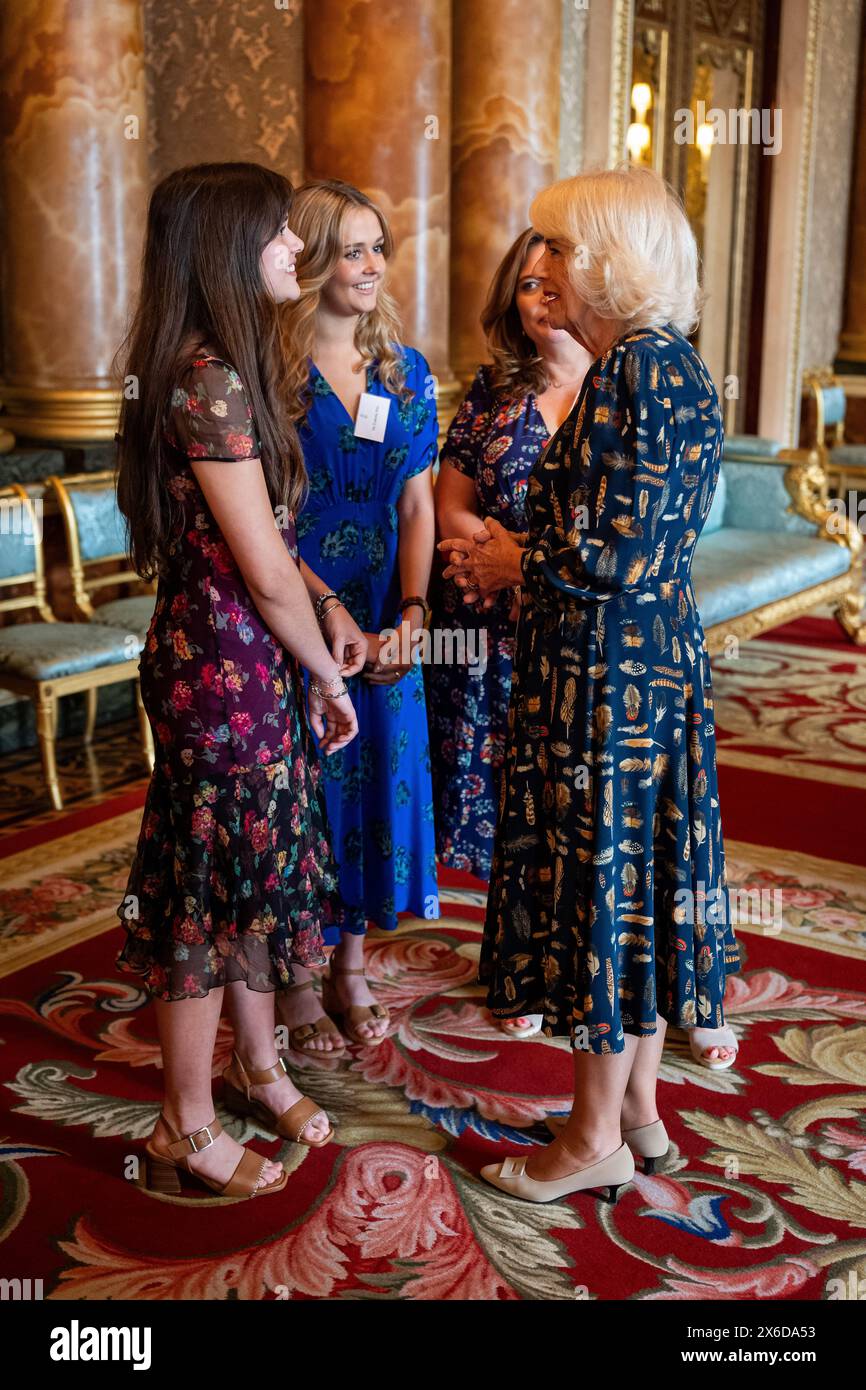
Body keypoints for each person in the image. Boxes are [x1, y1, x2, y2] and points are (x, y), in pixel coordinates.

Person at [441, 165, 740, 1204]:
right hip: (632, 662)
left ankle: (589, 1137)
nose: (546, 267)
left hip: (608, 676)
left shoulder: (636, 372)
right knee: (639, 887)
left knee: (604, 892)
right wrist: (526, 554)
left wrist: (508, 560)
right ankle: (640, 1115)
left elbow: (606, 552)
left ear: (612, 260)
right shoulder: (662, 365)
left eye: (560, 248)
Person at [115, 163, 366, 1199]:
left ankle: (258, 1066)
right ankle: (180, 1118)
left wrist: (328, 607)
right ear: (224, 247)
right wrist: (328, 673)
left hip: (243, 657)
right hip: (220, 671)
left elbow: (267, 542)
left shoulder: (220, 365)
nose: (292, 251)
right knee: (204, 890)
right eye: (274, 233)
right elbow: (256, 572)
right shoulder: (205, 376)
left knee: (251, 880)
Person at [277, 178, 439, 1054]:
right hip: (292, 609)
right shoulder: (267, 370)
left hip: (385, 612)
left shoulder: (402, 370)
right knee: (306, 790)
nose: (371, 264)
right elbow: (259, 518)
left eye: (379, 246)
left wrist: (412, 611)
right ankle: (297, 983)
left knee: (376, 778)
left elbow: (417, 507)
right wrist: (322, 607)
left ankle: (350, 966)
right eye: (352, 249)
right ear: (309, 258)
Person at [427, 228, 592, 1038]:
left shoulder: (619, 386)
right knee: (505, 800)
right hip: (486, 630)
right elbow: (449, 497)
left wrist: (522, 566)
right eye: (528, 285)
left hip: (574, 627)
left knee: (574, 800)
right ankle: (515, 963)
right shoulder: (493, 390)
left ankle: (577, 961)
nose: (543, 298)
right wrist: (478, 555)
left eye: (556, 281)